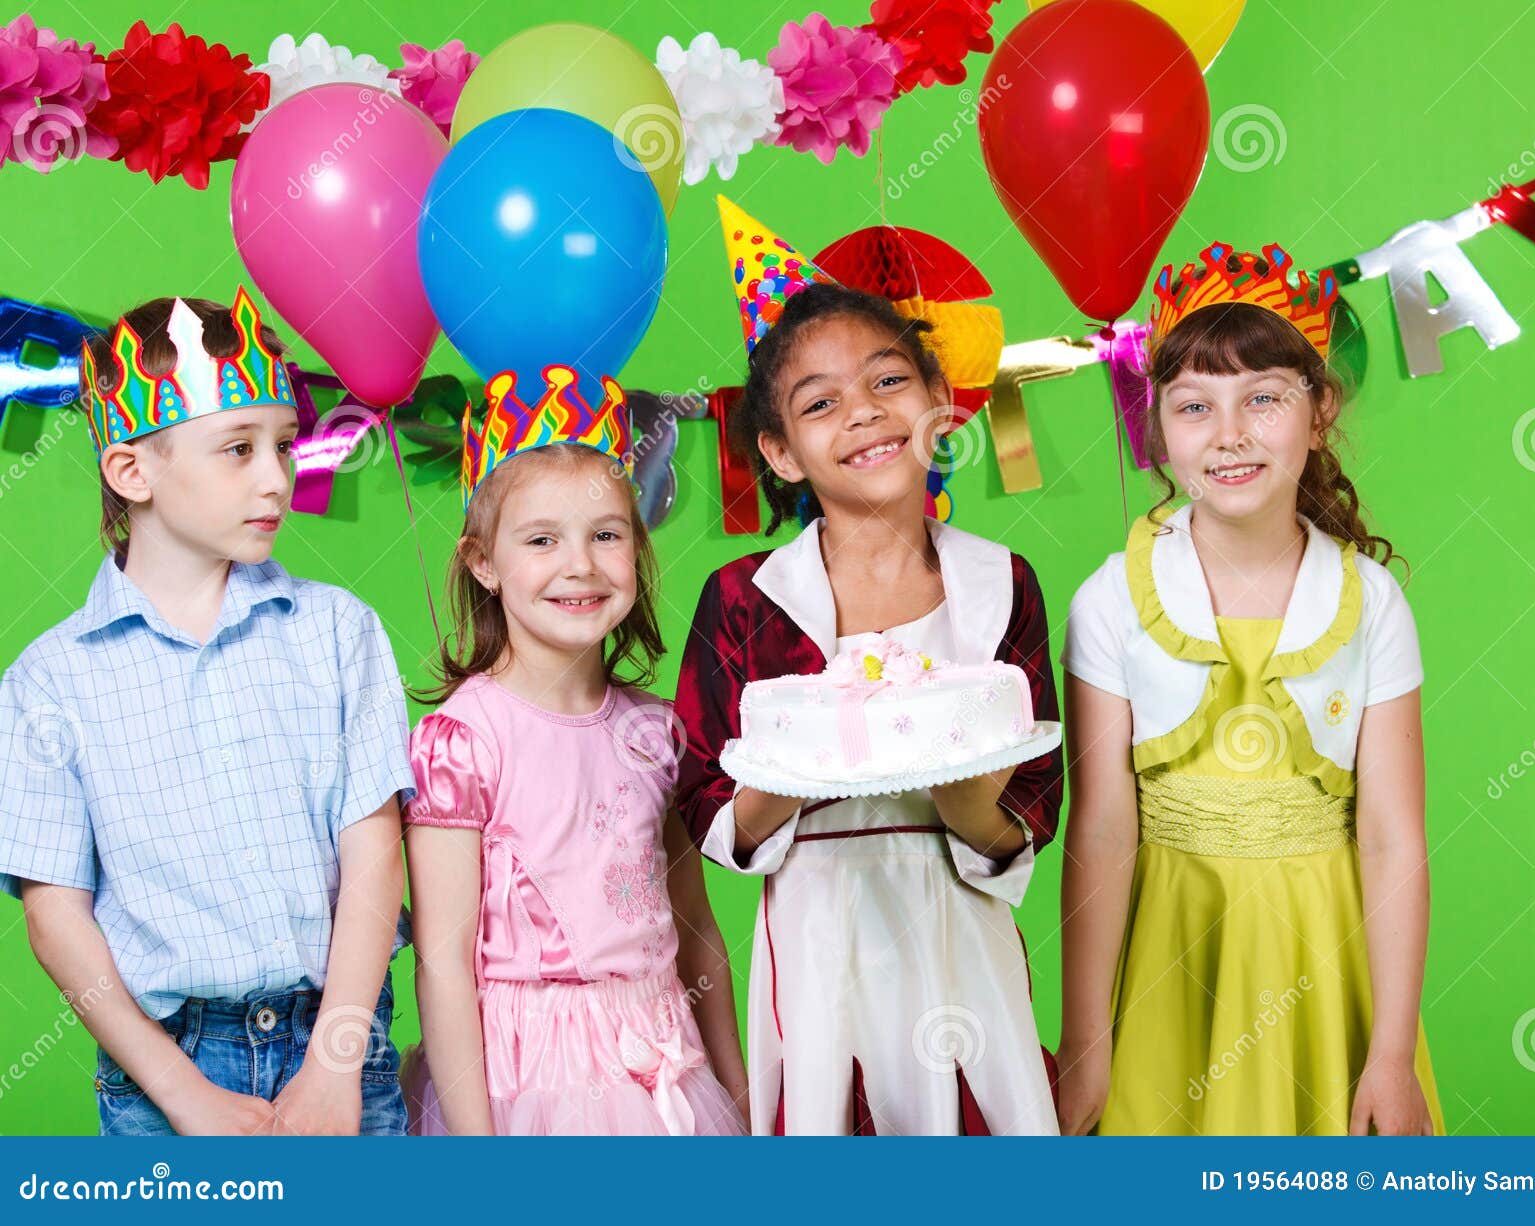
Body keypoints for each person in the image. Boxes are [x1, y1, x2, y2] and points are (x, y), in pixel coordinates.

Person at [673, 201, 1063, 1135]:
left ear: (938, 399)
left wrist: (962, 794)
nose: (864, 413)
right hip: (816, 935)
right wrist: (797, 768)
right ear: (779, 452)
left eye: (889, 380)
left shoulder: (1000, 583)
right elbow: (704, 800)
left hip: (957, 928)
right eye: (820, 404)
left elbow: (1030, 805)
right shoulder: (746, 597)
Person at [0, 289, 414, 1135]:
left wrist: (335, 1063)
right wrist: (181, 1093)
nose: (277, 476)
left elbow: (374, 860)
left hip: (340, 1042)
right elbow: (56, 919)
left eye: (283, 445)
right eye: (237, 449)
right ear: (132, 471)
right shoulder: (49, 682)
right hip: (167, 1066)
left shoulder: (339, 632)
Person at [1056, 242, 1445, 1135]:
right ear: (1158, 431)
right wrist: (1085, 1043)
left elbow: (1390, 838)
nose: (1229, 434)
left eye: (1264, 398)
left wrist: (1388, 1051)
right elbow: (1105, 831)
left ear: (1320, 414)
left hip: (1328, 963)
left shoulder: (1370, 602)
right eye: (1195, 407)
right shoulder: (1111, 599)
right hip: (1172, 960)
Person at [401, 365, 748, 1135]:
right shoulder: (462, 742)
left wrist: (739, 1092)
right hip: (525, 1085)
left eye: (605, 535)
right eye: (542, 539)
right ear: (483, 563)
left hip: (663, 1062)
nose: (580, 565)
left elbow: (695, 928)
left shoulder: (660, 734)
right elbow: (444, 966)